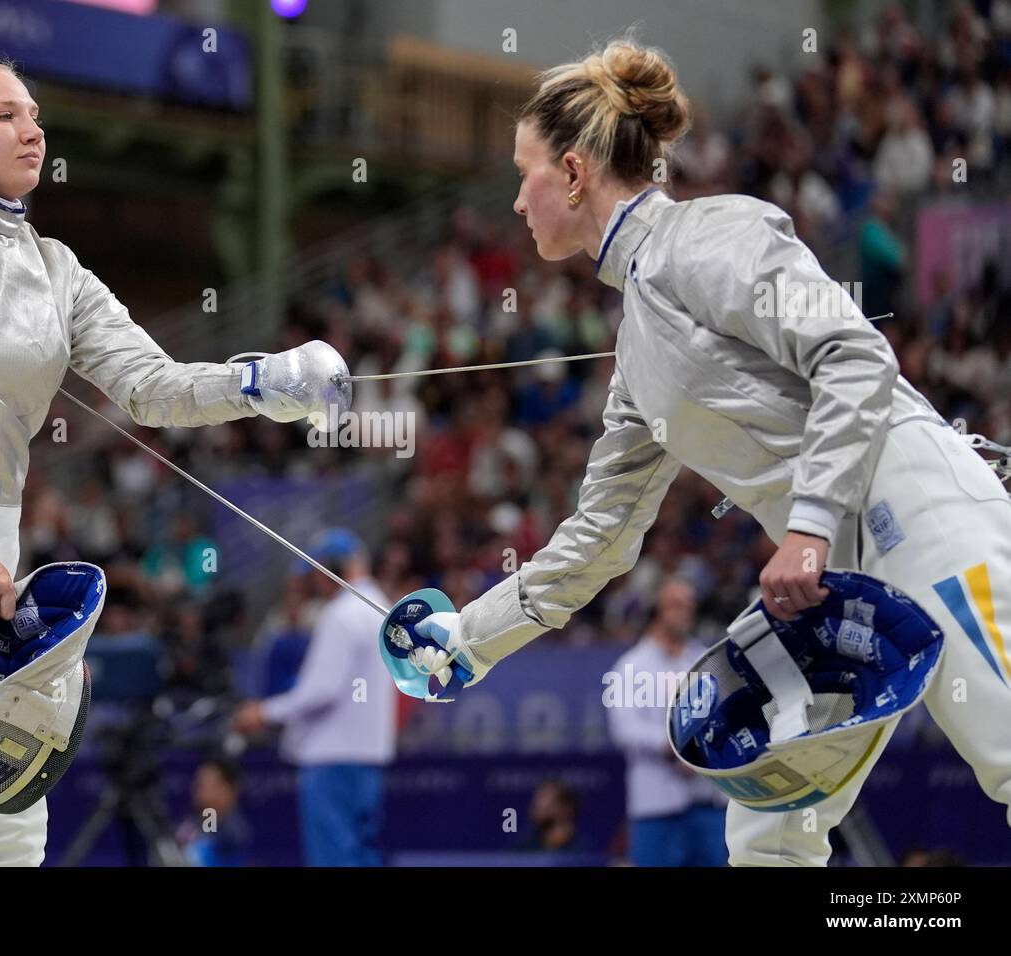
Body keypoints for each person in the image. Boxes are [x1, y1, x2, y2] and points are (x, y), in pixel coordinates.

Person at [408, 37, 1011, 866]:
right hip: (835, 571)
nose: (518, 200)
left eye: (526, 174)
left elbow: (854, 353)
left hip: (916, 505)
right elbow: (600, 541)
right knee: (768, 830)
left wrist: (804, 525)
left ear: (576, 173)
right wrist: (467, 639)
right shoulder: (637, 361)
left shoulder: (712, 234)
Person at [0, 54, 349, 867]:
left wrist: (267, 380)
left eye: (35, 116)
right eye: (5, 115)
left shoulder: (55, 269)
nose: (32, 131)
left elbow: (152, 387)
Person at [231, 529, 394, 866]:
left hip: (331, 759)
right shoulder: (382, 608)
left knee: (333, 859)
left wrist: (263, 712)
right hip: (369, 758)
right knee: (361, 856)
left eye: (319, 573)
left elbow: (320, 690)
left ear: (336, 567)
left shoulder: (342, 614)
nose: (316, 584)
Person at [607, 577, 727, 866]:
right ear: (656, 610)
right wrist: (675, 747)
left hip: (707, 802)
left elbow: (722, 718)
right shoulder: (631, 666)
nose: (684, 612)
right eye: (676, 605)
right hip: (657, 805)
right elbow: (625, 729)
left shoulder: (703, 660)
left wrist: (702, 751)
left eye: (689, 606)